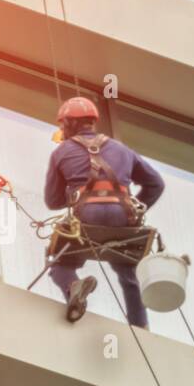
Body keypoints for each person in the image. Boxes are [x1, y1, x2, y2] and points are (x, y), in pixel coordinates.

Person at [44, 96, 165, 328]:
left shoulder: (61, 152)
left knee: (59, 262)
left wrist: (72, 191)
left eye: (62, 124)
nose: (61, 129)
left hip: (87, 216)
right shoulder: (122, 149)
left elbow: (52, 201)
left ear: (70, 124)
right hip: (123, 216)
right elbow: (156, 184)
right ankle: (140, 326)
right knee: (129, 269)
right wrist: (135, 208)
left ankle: (73, 288)